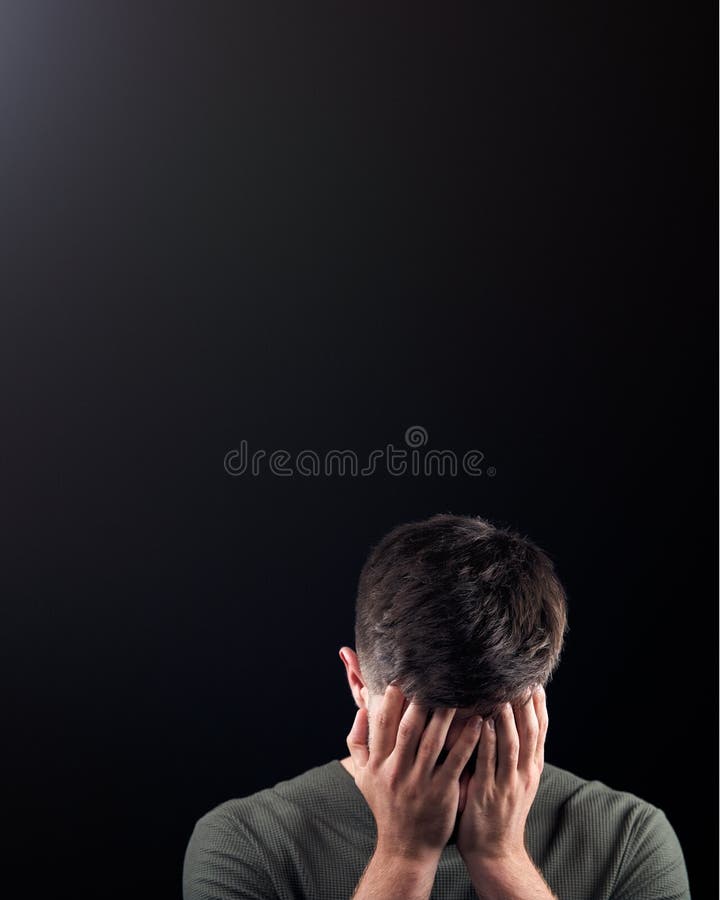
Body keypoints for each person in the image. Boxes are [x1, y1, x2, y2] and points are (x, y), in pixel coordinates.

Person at [183, 513, 691, 899]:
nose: (453, 767)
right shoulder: (246, 842)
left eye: (490, 726)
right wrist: (404, 855)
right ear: (359, 681)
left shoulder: (629, 837)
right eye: (425, 726)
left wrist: (502, 859)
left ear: (537, 696)